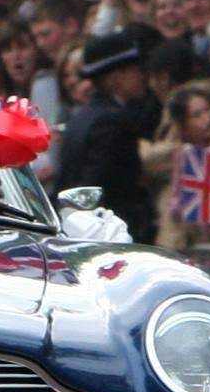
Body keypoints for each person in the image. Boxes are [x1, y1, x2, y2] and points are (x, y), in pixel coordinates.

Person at [62, 34, 159, 242]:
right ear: (117, 76)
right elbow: (102, 186)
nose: (143, 76)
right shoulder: (113, 122)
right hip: (109, 234)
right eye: (136, 70)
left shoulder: (82, 116)